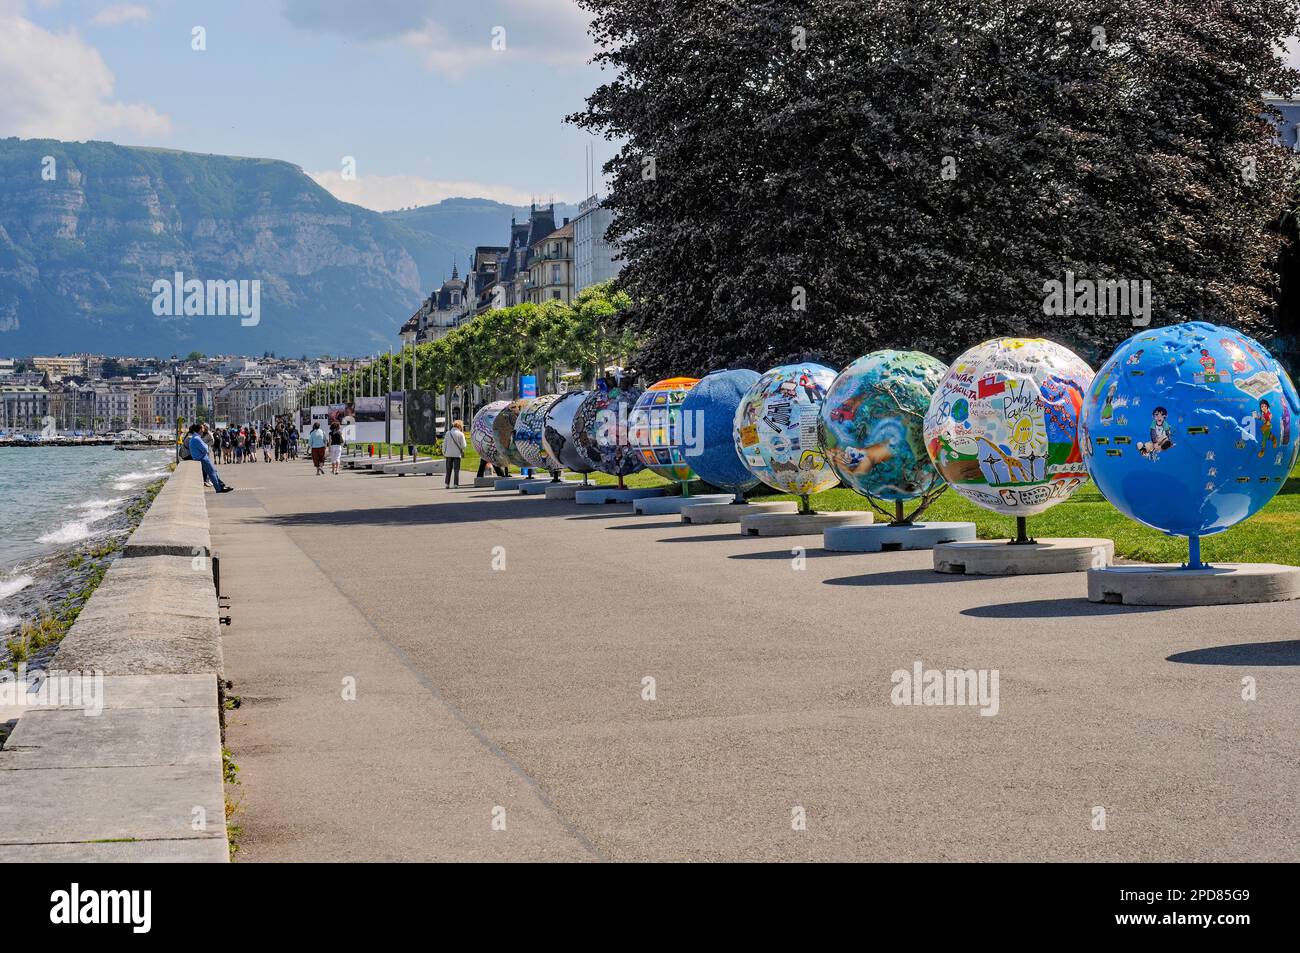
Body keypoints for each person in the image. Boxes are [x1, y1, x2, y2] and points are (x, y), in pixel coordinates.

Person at [187, 424, 232, 493]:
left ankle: (221, 486)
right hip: (202, 458)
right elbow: (205, 449)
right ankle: (219, 488)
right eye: (202, 428)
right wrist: (206, 446)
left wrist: (205, 446)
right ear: (199, 430)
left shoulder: (195, 438)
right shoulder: (197, 439)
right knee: (212, 473)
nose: (204, 430)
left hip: (201, 457)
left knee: (214, 471)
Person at [443, 419, 466, 488]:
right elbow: (463, 445)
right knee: (456, 470)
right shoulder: (461, 434)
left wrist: (444, 452)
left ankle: (447, 484)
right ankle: (455, 484)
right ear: (460, 426)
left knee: (448, 470)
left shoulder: (448, 433)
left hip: (448, 454)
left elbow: (444, 444)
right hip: (457, 455)